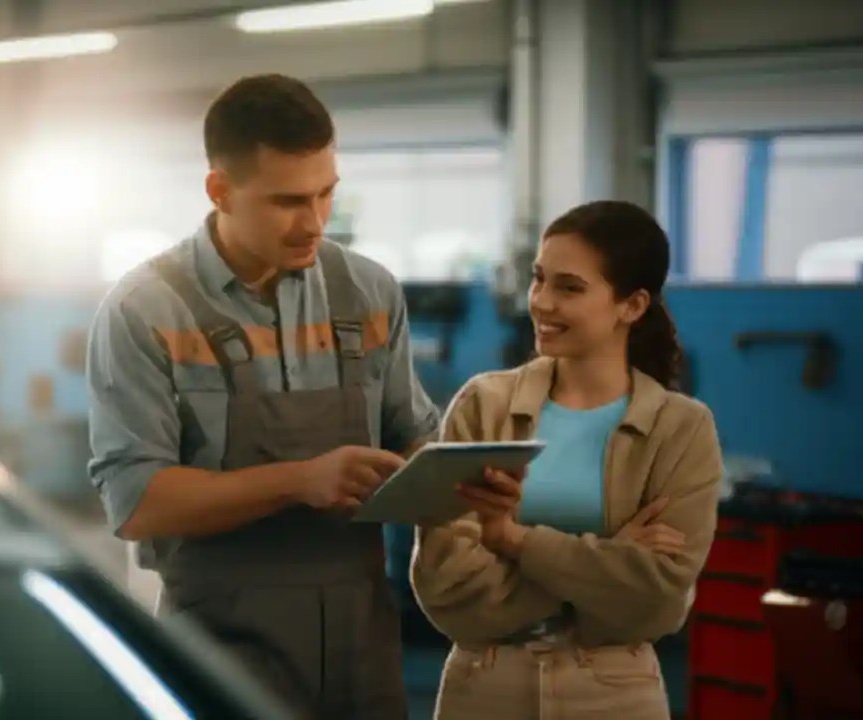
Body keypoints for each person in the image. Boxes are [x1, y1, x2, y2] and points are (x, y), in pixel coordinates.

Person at [86, 74, 439, 719]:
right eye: (287, 201)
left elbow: (409, 430)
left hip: (365, 641)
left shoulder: (370, 292)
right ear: (219, 189)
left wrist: (450, 475)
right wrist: (300, 480)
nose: (315, 222)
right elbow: (136, 501)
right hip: (222, 643)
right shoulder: (145, 311)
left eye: (327, 194)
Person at [410, 200, 723, 720]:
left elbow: (656, 600)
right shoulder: (483, 404)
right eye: (538, 280)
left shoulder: (680, 428)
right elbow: (447, 588)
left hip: (616, 694)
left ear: (632, 305)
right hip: (485, 690)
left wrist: (514, 541)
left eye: (569, 288)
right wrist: (606, 561)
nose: (542, 302)